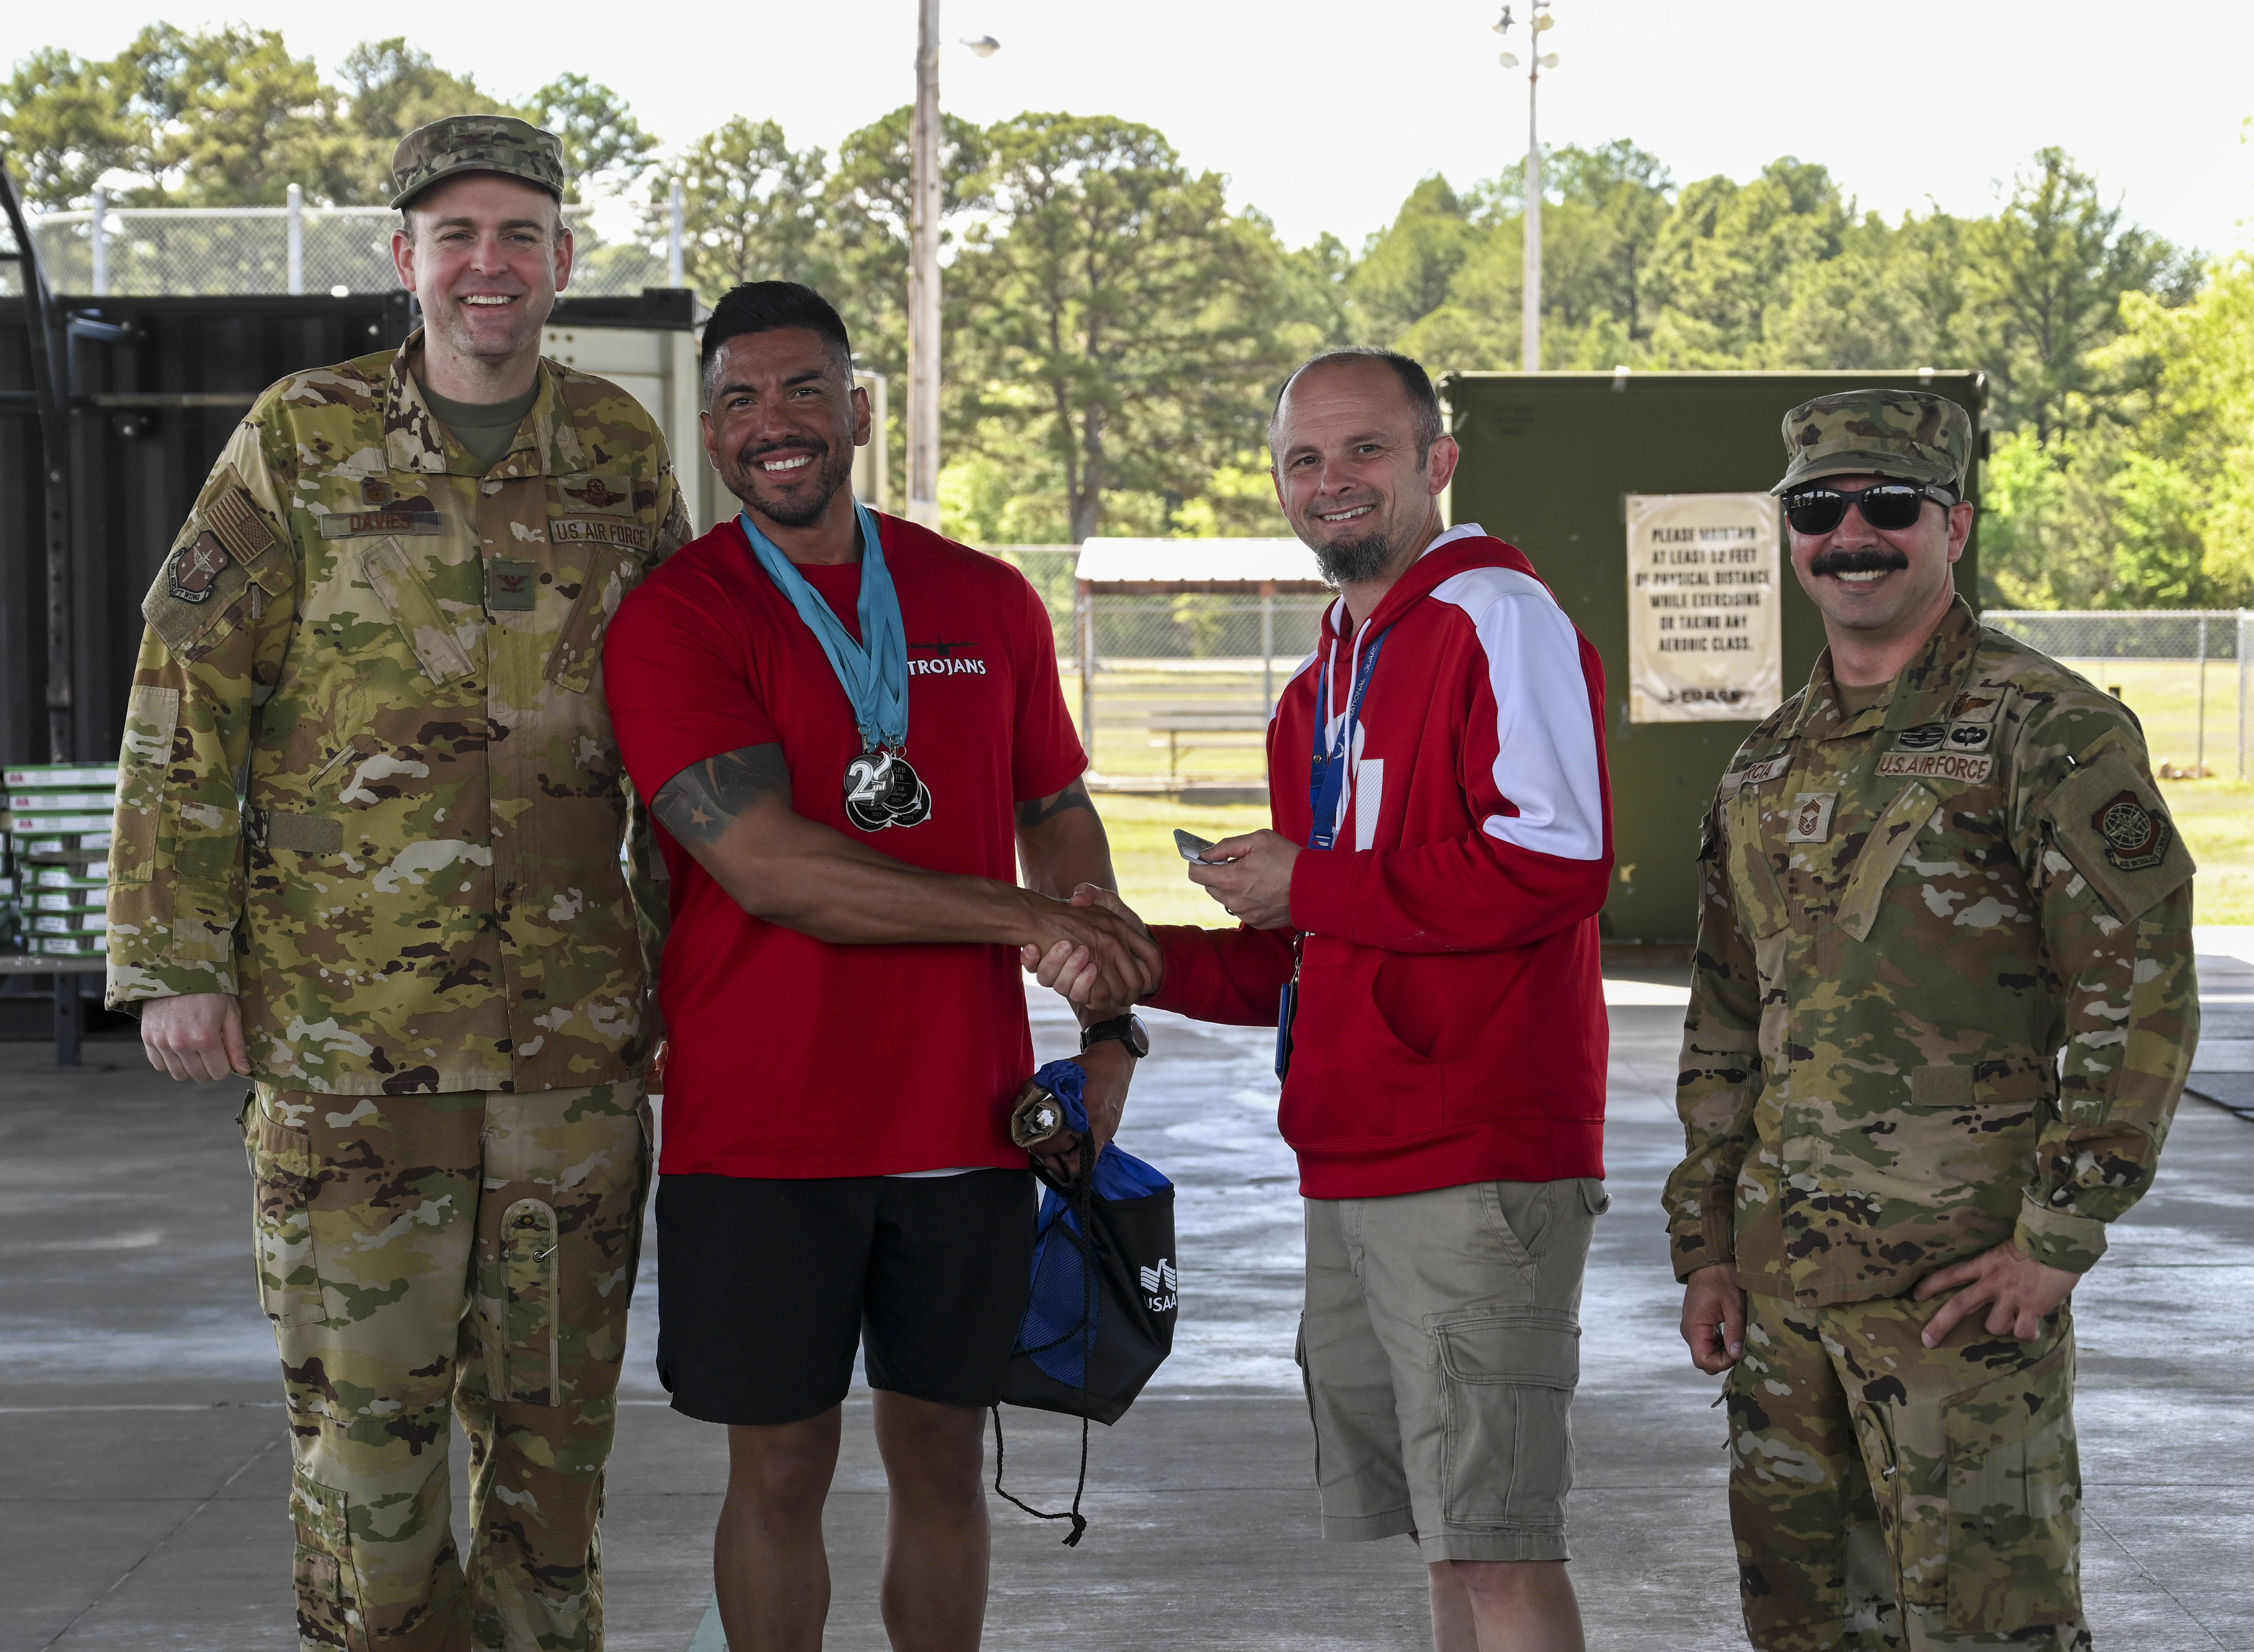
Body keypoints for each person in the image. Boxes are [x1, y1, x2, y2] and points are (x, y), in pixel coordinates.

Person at [107, 114, 690, 1651]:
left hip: (572, 1058)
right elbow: (189, 681)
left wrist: (695, 976)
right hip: (347, 1049)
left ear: (562, 262)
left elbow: (689, 728)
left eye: (518, 235)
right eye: (456, 235)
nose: (487, 263)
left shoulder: (620, 454)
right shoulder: (302, 437)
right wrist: (175, 955)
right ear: (407, 261)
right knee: (369, 1465)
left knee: (555, 1464)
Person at [599, 280, 1157, 1652]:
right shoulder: (679, 615)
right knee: (780, 1469)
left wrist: (1100, 997)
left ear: (855, 409)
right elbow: (773, 867)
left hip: (962, 1122)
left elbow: (1051, 810)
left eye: (801, 392)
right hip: (762, 1123)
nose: (772, 423)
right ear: (711, 434)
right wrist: (1024, 925)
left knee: (941, 1455)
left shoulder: (981, 596)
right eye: (738, 400)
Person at [1031, 347, 1614, 1652]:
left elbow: (1558, 862)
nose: (1332, 481)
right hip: (1354, 1155)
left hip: (1475, 1150)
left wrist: (1319, 883)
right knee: (1450, 1545)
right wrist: (1148, 956)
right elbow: (1320, 946)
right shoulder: (1323, 685)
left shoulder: (1493, 617)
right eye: (1305, 459)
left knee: (1497, 1547)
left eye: (1365, 452)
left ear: (1437, 464)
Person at [1665, 389, 2200, 1650]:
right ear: (1791, 533)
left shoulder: (2048, 730)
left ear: (1952, 525)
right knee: (1803, 1627)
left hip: (1960, 1303)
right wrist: (1706, 1244)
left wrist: (2061, 1234)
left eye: (1889, 505)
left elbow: (2138, 987)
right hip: (1781, 1308)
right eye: (1819, 508)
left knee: (1986, 1627)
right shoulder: (1767, 760)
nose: (1853, 534)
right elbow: (1727, 1021)